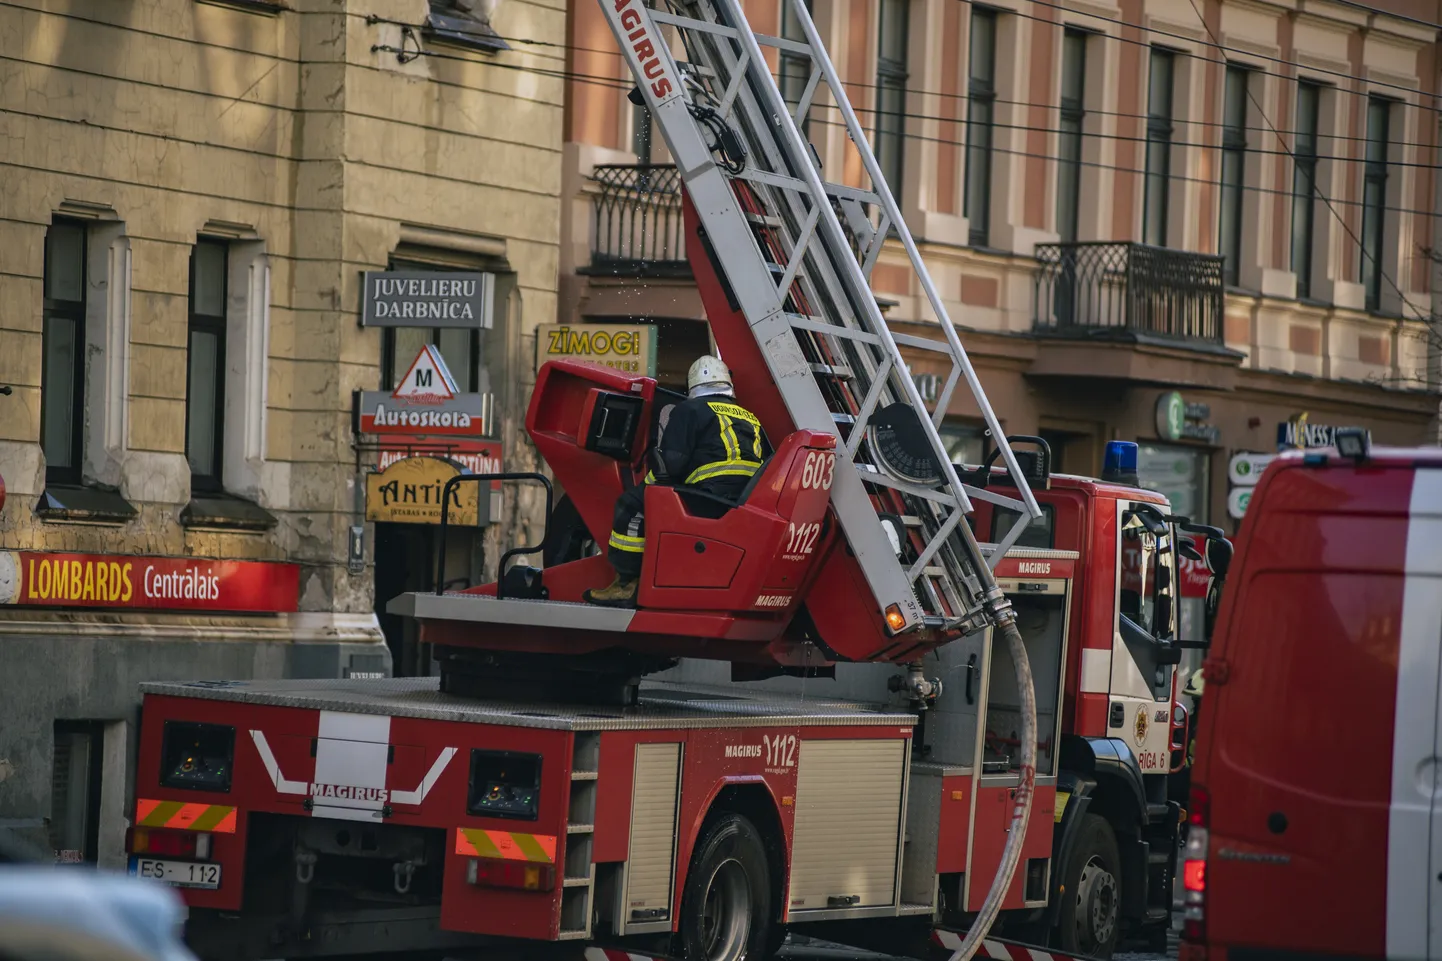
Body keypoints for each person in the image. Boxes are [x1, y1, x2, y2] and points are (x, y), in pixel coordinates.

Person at [583, 355, 772, 607]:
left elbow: (672, 464)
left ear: (693, 385)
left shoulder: (689, 410)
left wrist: (646, 486)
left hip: (708, 497)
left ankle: (626, 583)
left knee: (631, 504)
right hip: (744, 501)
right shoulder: (751, 417)